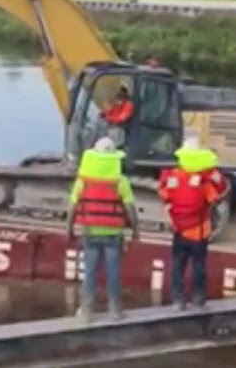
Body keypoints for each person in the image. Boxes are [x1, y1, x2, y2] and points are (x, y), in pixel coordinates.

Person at [66, 137, 140, 323]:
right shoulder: (120, 181)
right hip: (113, 235)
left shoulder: (83, 182)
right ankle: (115, 311)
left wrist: (69, 229)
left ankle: (86, 311)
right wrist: (135, 230)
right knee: (113, 273)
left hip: (90, 233)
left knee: (89, 273)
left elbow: (73, 207)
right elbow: (130, 209)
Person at [158, 136, 223, 310]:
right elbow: (214, 199)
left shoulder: (172, 177)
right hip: (199, 231)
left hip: (179, 230)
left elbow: (164, 196)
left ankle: (178, 300)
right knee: (198, 266)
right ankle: (198, 300)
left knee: (177, 265)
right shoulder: (204, 180)